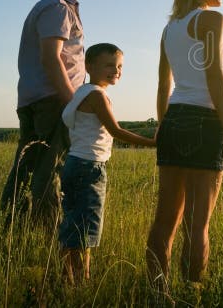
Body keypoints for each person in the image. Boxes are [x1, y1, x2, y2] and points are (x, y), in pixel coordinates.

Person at [146, 0, 223, 288]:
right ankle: (192, 294)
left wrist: (163, 123)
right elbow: (214, 75)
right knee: (197, 224)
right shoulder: (212, 18)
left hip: (175, 119)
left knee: (164, 221)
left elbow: (163, 85)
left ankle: (159, 294)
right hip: (206, 120)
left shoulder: (169, 28)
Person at [1, 0, 88, 228]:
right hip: (53, 101)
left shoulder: (51, 6)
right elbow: (52, 58)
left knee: (26, 168)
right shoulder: (58, 7)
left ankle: (13, 229)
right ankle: (49, 238)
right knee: (50, 171)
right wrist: (72, 103)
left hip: (36, 98)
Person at [58, 43, 156, 284]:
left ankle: (65, 280)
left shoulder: (80, 92)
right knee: (85, 232)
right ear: (89, 66)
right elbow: (115, 130)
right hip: (89, 167)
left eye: (120, 66)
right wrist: (153, 143)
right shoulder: (97, 95)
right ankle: (81, 284)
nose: (117, 70)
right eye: (110, 65)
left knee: (72, 225)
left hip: (73, 163)